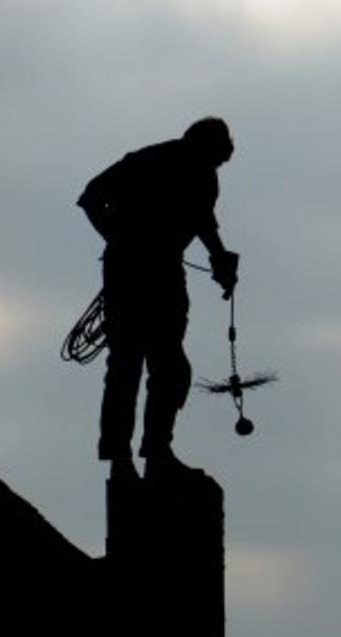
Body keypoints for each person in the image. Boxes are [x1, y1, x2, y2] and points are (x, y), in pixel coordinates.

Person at [77, 117, 240, 482]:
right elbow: (90, 196)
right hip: (129, 273)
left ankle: (156, 451)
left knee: (170, 368)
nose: (213, 169)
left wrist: (220, 260)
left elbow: (203, 221)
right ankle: (121, 459)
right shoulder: (145, 161)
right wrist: (117, 240)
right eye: (212, 159)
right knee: (126, 365)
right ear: (197, 146)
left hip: (166, 272)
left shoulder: (204, 175)